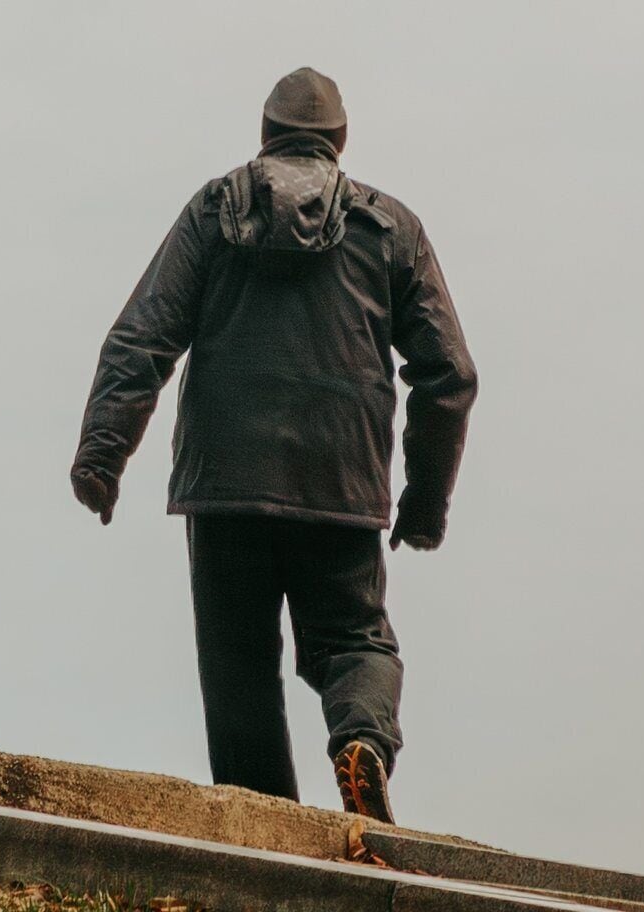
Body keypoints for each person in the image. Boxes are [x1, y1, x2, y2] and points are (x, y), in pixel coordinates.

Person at [71, 67, 476, 823]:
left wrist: (102, 455)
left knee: (238, 673)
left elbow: (142, 337)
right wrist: (422, 506)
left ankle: (268, 842)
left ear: (264, 138)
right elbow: (450, 375)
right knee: (354, 640)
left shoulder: (212, 212)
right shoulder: (391, 230)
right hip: (341, 482)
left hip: (224, 486)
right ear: (340, 144)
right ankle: (360, 740)